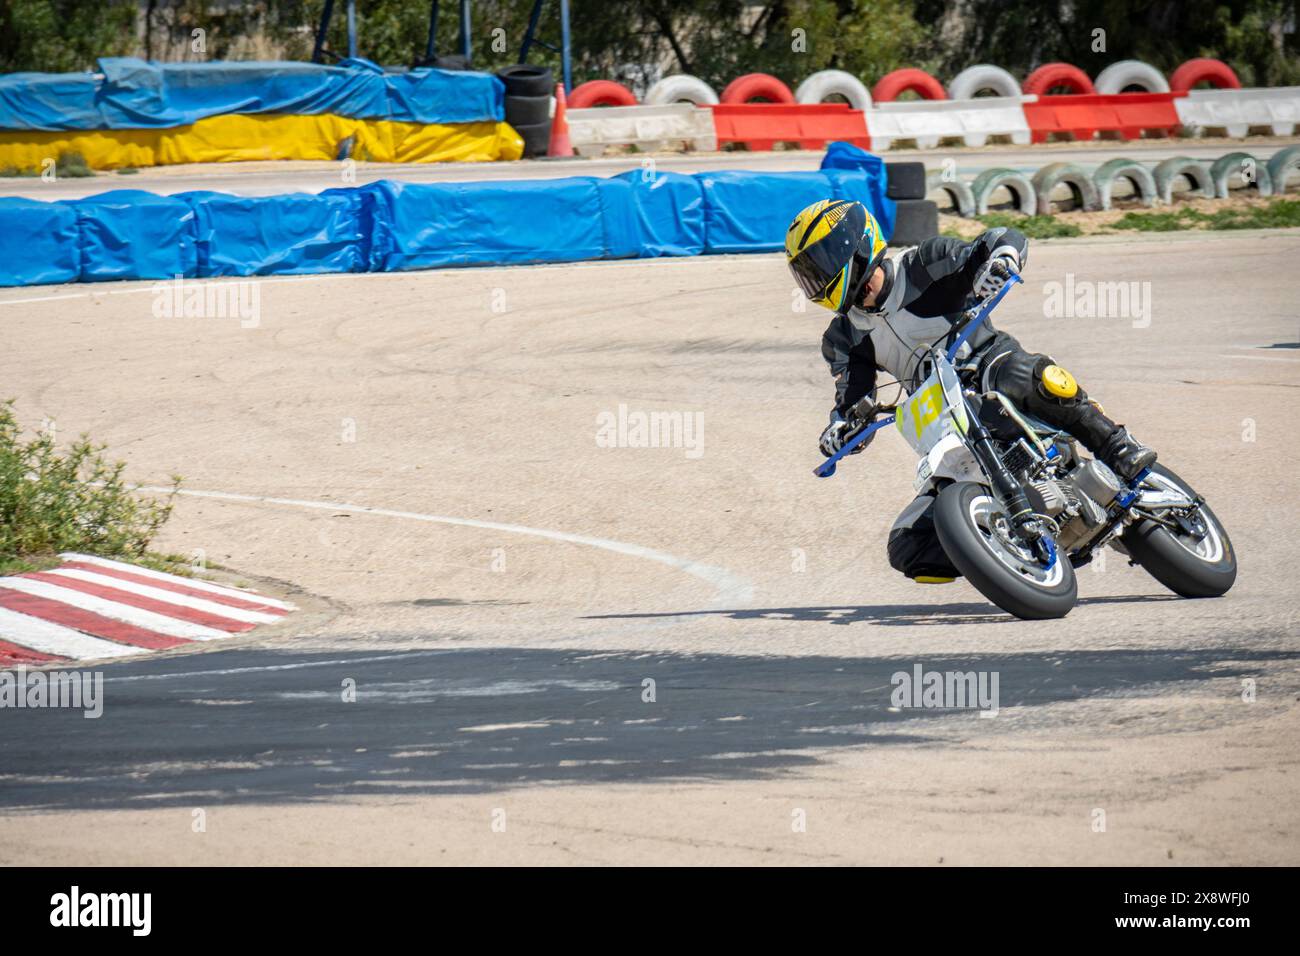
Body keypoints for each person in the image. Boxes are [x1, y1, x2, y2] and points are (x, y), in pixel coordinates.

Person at [785, 198, 1156, 582]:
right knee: (908, 547)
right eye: (808, 273)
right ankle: (1007, 549)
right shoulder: (843, 337)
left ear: (855, 245)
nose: (816, 279)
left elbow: (996, 240)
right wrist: (841, 427)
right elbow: (851, 397)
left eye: (820, 264)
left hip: (986, 366)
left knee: (1027, 374)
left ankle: (1117, 446)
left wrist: (1000, 261)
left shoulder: (925, 263)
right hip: (943, 422)